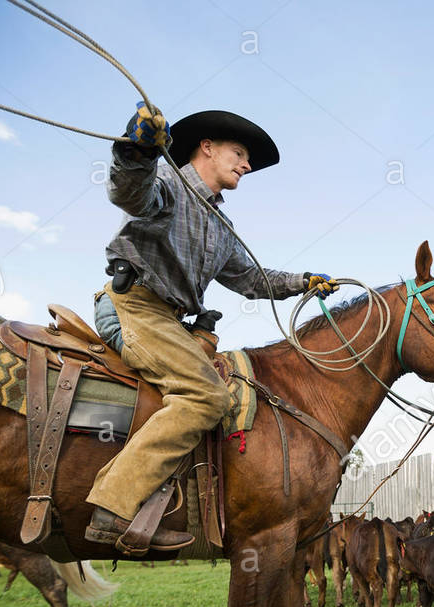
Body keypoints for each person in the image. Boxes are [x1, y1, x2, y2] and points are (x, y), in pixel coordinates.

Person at [85, 104, 338, 553]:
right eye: (240, 154)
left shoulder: (222, 225)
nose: (247, 165)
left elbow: (251, 279)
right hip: (135, 308)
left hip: (169, 322)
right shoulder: (167, 183)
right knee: (207, 396)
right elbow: (131, 194)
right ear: (207, 148)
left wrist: (303, 282)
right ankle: (113, 509)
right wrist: (138, 153)